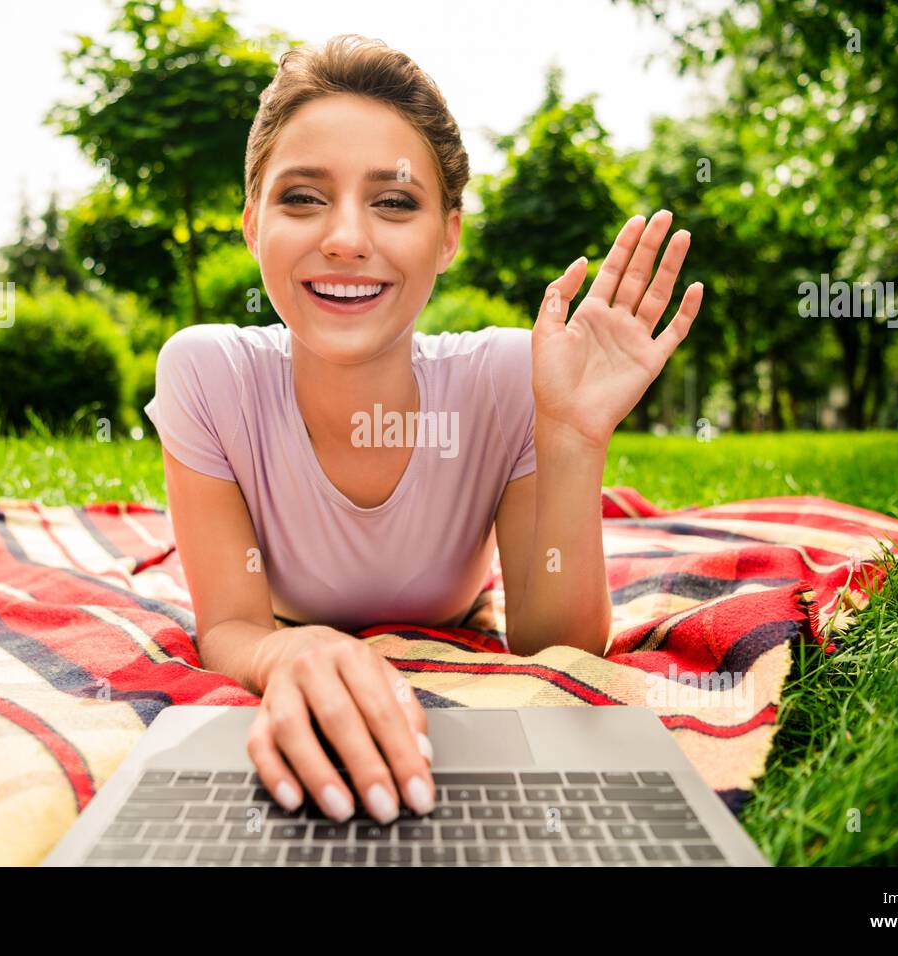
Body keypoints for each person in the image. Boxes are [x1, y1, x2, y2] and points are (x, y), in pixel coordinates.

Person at [144, 34, 703, 828]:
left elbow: (557, 641)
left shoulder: (507, 378)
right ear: (251, 226)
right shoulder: (207, 374)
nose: (345, 236)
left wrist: (575, 438)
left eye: (395, 200)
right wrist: (284, 650)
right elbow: (231, 624)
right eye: (302, 197)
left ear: (448, 236)